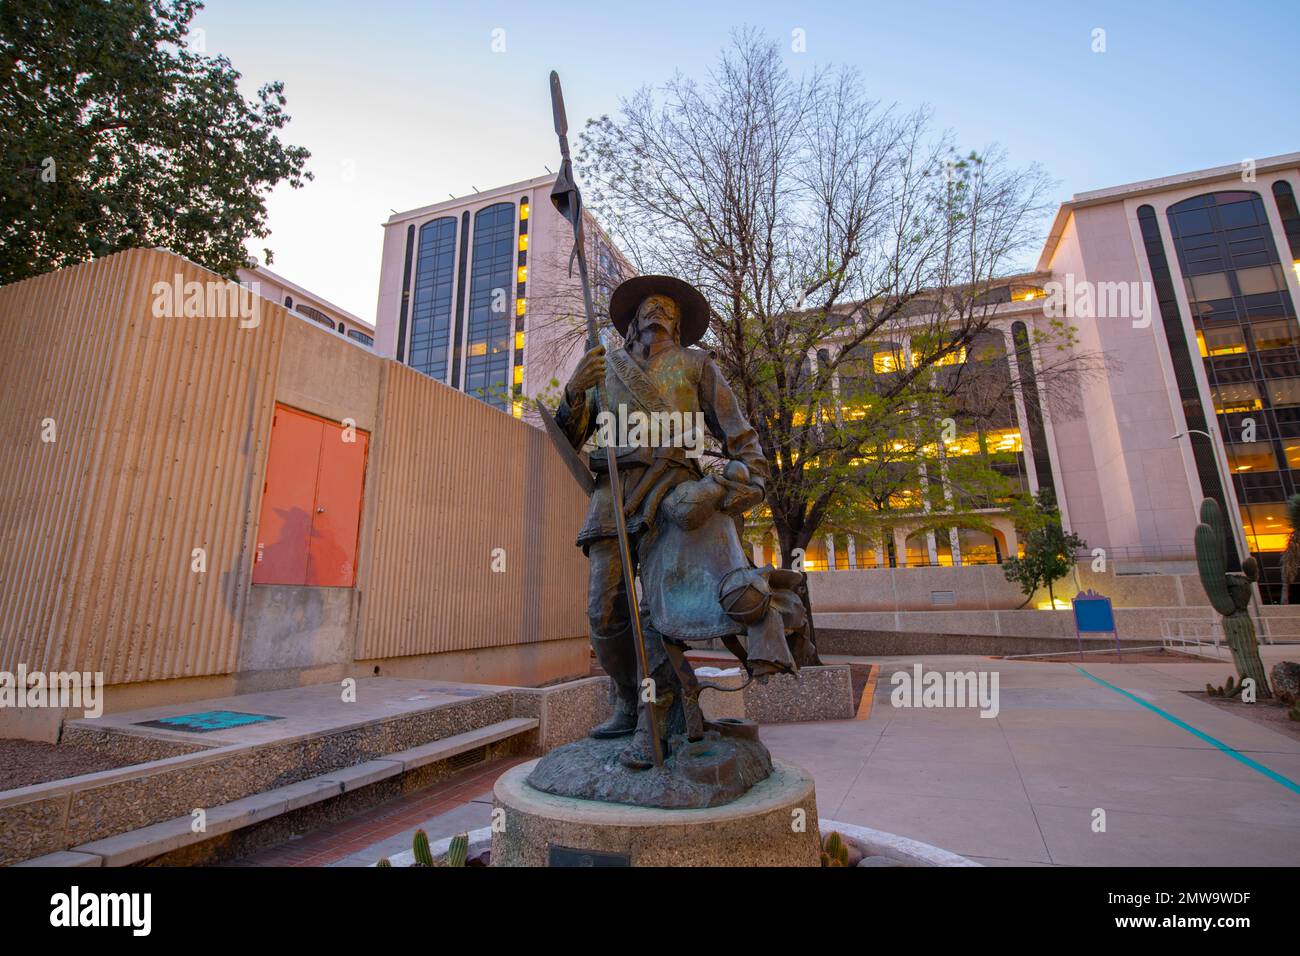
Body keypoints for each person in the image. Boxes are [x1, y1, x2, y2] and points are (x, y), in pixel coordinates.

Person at [556, 275, 798, 768]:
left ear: (679, 321)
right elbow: (570, 437)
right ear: (630, 321)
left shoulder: (696, 364)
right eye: (647, 306)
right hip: (612, 495)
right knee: (604, 611)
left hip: (674, 494)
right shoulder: (605, 369)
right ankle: (627, 699)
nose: (655, 310)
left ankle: (661, 715)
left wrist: (734, 486)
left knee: (661, 617)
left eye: (665, 306)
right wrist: (575, 392)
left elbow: (742, 438)